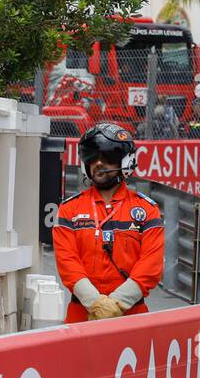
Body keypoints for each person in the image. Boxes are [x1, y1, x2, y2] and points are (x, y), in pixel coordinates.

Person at [52, 123, 165, 324]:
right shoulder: (69, 209)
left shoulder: (147, 210)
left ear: (125, 161)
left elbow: (151, 265)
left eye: (108, 157)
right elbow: (67, 262)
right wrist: (96, 304)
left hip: (131, 316)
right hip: (82, 315)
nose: (98, 163)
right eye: (92, 157)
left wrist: (117, 303)